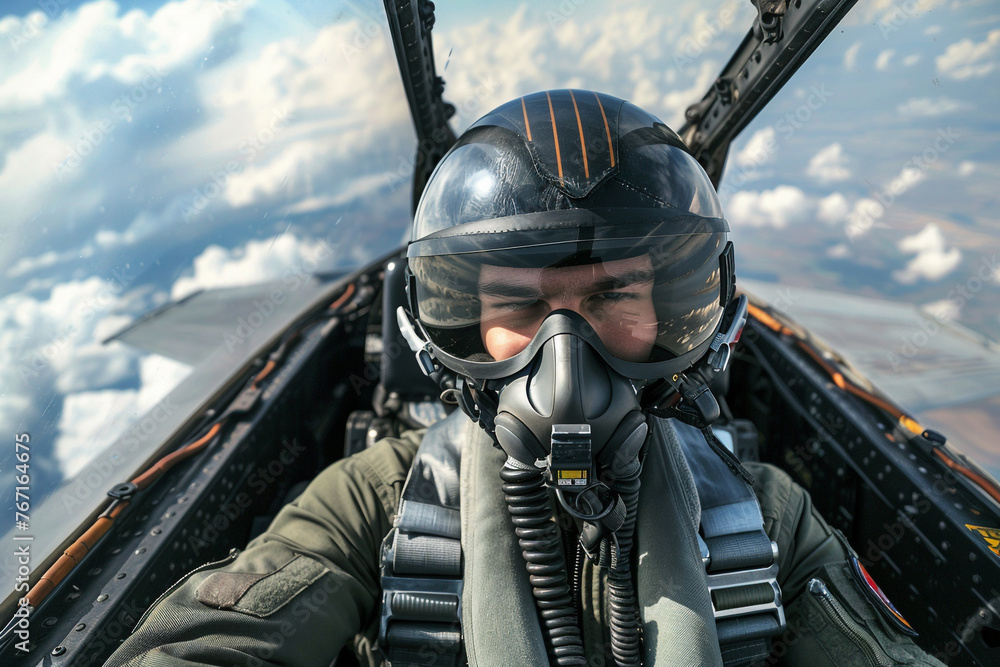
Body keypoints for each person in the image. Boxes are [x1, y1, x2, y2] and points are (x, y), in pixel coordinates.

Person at [104, 91, 943, 667]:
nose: (564, 350)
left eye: (614, 292)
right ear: (460, 323)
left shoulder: (763, 516)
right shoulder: (375, 504)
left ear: (675, 312)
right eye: (518, 302)